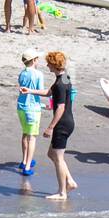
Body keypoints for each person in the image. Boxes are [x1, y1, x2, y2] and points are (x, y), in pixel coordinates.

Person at [41, 51, 77, 200]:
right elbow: (49, 93)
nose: (47, 65)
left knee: (58, 157)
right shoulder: (64, 78)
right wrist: (29, 91)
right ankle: (70, 181)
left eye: (49, 63)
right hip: (68, 122)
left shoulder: (60, 83)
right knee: (52, 154)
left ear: (54, 65)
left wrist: (50, 127)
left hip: (62, 124)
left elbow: (60, 108)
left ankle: (62, 192)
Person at [16, 49, 46, 175]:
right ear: (34, 60)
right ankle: (27, 167)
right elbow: (40, 91)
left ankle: (24, 160)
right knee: (32, 137)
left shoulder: (22, 73)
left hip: (21, 107)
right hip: (32, 109)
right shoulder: (38, 74)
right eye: (37, 59)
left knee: (25, 133)